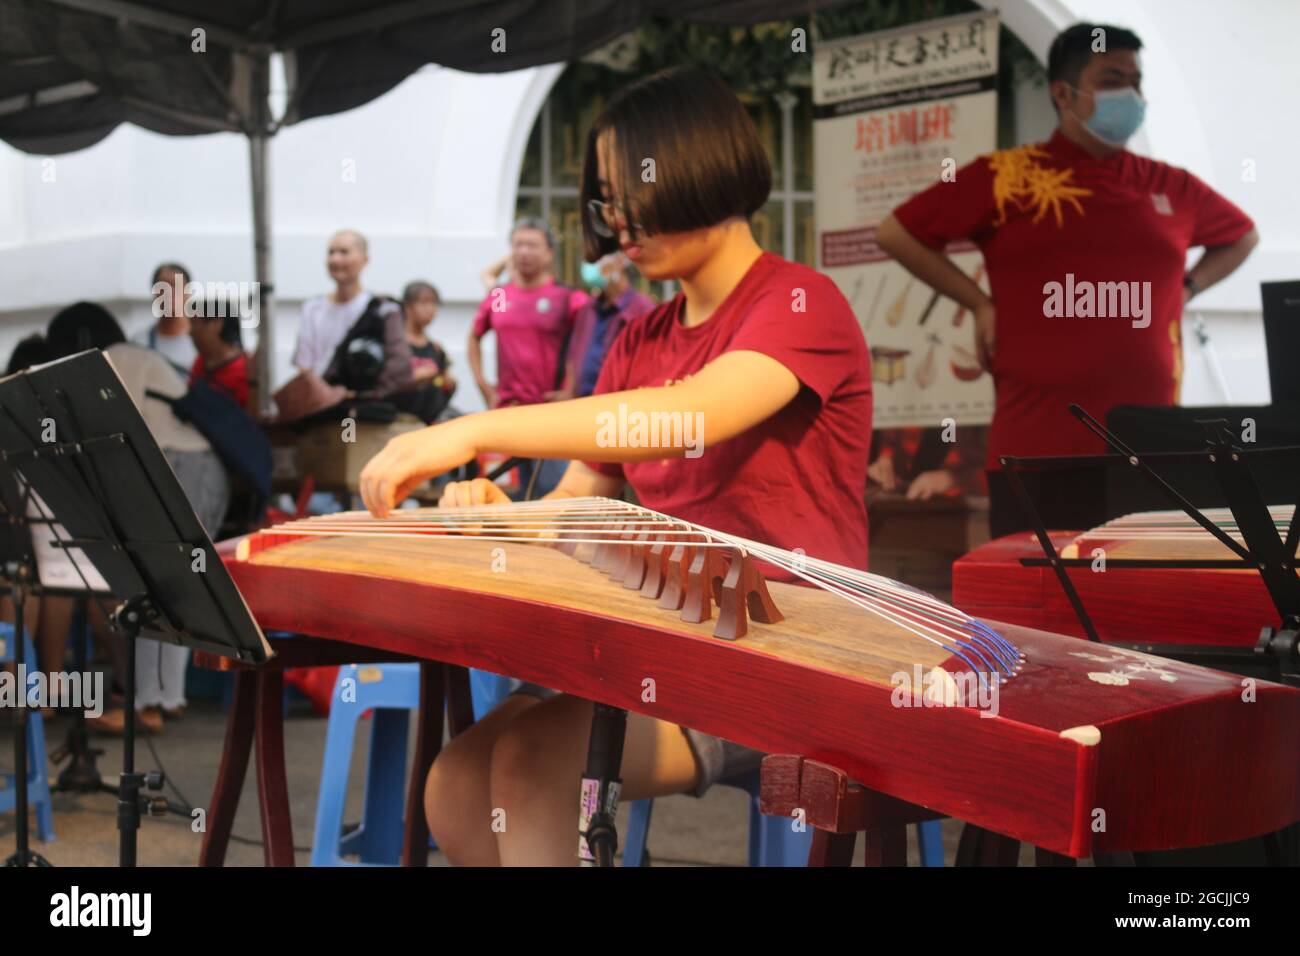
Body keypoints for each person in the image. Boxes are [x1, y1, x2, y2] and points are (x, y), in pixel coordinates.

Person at [358, 66, 872, 866]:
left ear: (702, 163)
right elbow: (579, 504)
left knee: (535, 766)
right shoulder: (638, 341)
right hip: (657, 641)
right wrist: (496, 511)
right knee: (454, 782)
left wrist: (473, 430)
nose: (616, 217)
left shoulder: (801, 307)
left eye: (631, 187)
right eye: (605, 196)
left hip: (782, 646)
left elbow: (690, 414)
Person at [875, 22, 1258, 537]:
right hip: (1036, 453)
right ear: (1063, 92)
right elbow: (896, 232)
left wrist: (1185, 289)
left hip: (1150, 453)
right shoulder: (1007, 176)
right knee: (1036, 612)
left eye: (1136, 81)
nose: (1132, 94)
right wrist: (979, 302)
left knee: (1144, 607)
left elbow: (1244, 236)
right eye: (1112, 78)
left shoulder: (1170, 185)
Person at [46, 303, 230, 734]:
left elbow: (110, 436)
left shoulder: (116, 360)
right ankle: (167, 698)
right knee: (178, 589)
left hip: (180, 468)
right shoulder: (136, 356)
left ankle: (149, 705)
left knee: (154, 586)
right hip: (198, 470)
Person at [468, 218, 589, 496]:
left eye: (532, 245)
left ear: (549, 253)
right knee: (502, 502)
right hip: (506, 415)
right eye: (518, 245)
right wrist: (483, 384)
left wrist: (570, 389)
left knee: (553, 501)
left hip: (551, 419)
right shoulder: (500, 296)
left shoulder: (567, 298)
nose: (524, 252)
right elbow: (475, 335)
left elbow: (585, 344)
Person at [293, 229, 400, 376]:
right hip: (318, 395)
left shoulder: (379, 310)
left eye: (344, 252)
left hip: (362, 397)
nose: (335, 259)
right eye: (331, 253)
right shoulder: (312, 308)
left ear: (365, 259)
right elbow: (304, 365)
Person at [559, 252, 656, 400]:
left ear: (621, 260)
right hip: (582, 405)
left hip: (620, 408)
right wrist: (569, 391)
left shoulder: (642, 310)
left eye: (596, 259)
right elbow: (574, 353)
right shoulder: (587, 309)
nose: (591, 266)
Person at [393, 280, 456, 423]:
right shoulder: (395, 345)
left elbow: (446, 383)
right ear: (407, 307)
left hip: (430, 421)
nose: (430, 309)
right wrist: (417, 376)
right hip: (400, 421)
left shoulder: (435, 348)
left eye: (434, 303)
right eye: (424, 302)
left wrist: (449, 383)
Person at [136, 262, 199, 377]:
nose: (169, 292)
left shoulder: (204, 343)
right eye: (162, 287)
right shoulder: (139, 344)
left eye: (175, 285)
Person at [189, 300, 249, 408]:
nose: (190, 332)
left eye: (194, 324)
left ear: (216, 324)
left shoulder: (245, 371)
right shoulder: (200, 361)